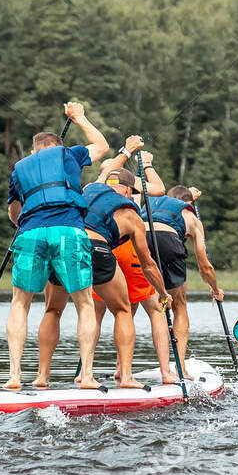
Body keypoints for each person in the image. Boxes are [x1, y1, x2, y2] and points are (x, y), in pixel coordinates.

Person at [3, 102, 110, 390]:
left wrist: (23, 227)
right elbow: (101, 146)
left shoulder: (19, 169)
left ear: (33, 150)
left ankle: (15, 376)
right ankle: (86, 376)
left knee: (20, 303)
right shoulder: (70, 154)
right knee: (85, 302)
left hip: (30, 234)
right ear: (56, 146)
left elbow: (14, 211)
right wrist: (80, 118)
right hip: (68, 231)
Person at [77, 168, 170, 387]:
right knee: (127, 309)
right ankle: (129, 375)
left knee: (86, 309)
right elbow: (148, 264)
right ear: (128, 190)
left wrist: (125, 151)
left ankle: (82, 374)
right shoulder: (131, 206)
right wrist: (164, 293)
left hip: (68, 246)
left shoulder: (91, 189)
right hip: (111, 249)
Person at [95, 137, 177, 383]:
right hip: (129, 250)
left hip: (103, 252)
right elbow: (160, 189)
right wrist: (147, 164)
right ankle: (165, 373)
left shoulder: (97, 187)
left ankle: (105, 370)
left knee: (114, 311)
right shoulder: (131, 185)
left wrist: (127, 154)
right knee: (155, 311)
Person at [143, 185, 223, 364]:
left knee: (152, 307)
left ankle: (128, 370)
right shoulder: (190, 216)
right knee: (179, 305)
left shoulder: (153, 202)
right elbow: (205, 267)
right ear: (188, 203)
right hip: (168, 240)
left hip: (139, 239)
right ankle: (180, 367)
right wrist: (215, 289)